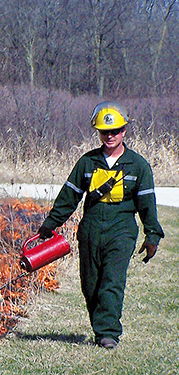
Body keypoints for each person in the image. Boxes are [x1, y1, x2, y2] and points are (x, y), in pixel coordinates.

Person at [36, 101, 163, 350]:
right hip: (90, 230)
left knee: (112, 282)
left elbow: (147, 204)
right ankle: (100, 329)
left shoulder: (139, 166)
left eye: (115, 131)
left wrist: (153, 235)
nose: (110, 136)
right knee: (91, 284)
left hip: (122, 230)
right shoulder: (87, 162)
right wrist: (50, 225)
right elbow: (69, 196)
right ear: (98, 132)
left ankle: (108, 334)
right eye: (105, 132)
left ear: (124, 131)